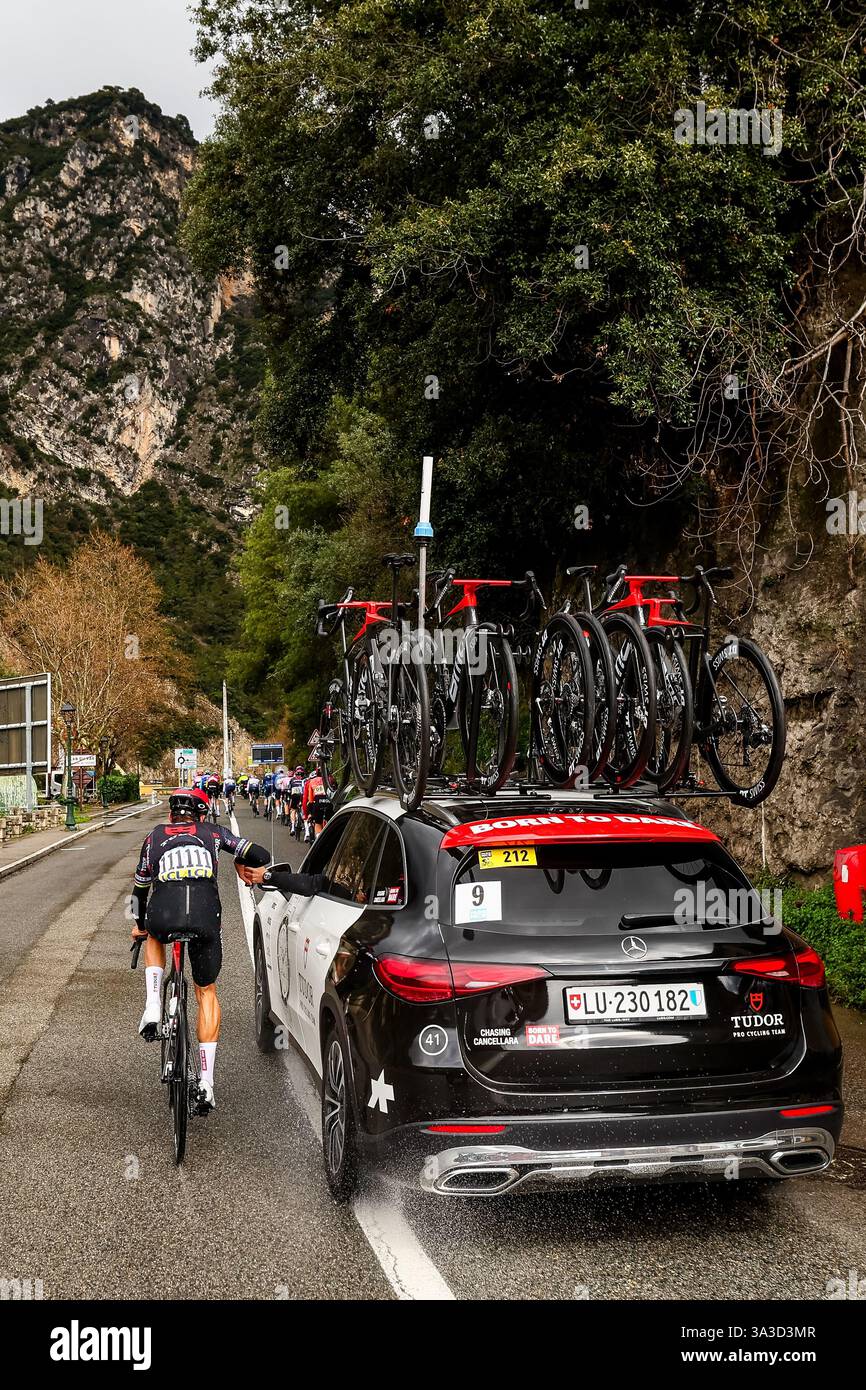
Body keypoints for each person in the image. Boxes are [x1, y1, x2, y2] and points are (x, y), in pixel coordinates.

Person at [130, 789, 325, 1110]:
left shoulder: (154, 837)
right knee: (206, 992)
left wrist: (139, 923)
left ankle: (152, 1006)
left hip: (165, 910)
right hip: (207, 914)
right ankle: (206, 1084)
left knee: (153, 934)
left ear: (170, 818)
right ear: (201, 817)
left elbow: (139, 891)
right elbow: (260, 855)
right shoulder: (214, 833)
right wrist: (238, 860)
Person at [302, 765, 332, 838]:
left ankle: (318, 838)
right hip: (329, 802)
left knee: (318, 823)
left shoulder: (311, 781)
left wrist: (308, 814)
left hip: (318, 802)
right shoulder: (331, 779)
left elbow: (311, 800)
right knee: (331, 822)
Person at [288, 765, 306, 839]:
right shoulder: (306, 779)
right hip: (303, 796)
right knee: (304, 811)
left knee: (293, 810)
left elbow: (289, 790)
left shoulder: (292, 780)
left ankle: (292, 827)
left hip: (294, 795)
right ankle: (306, 827)